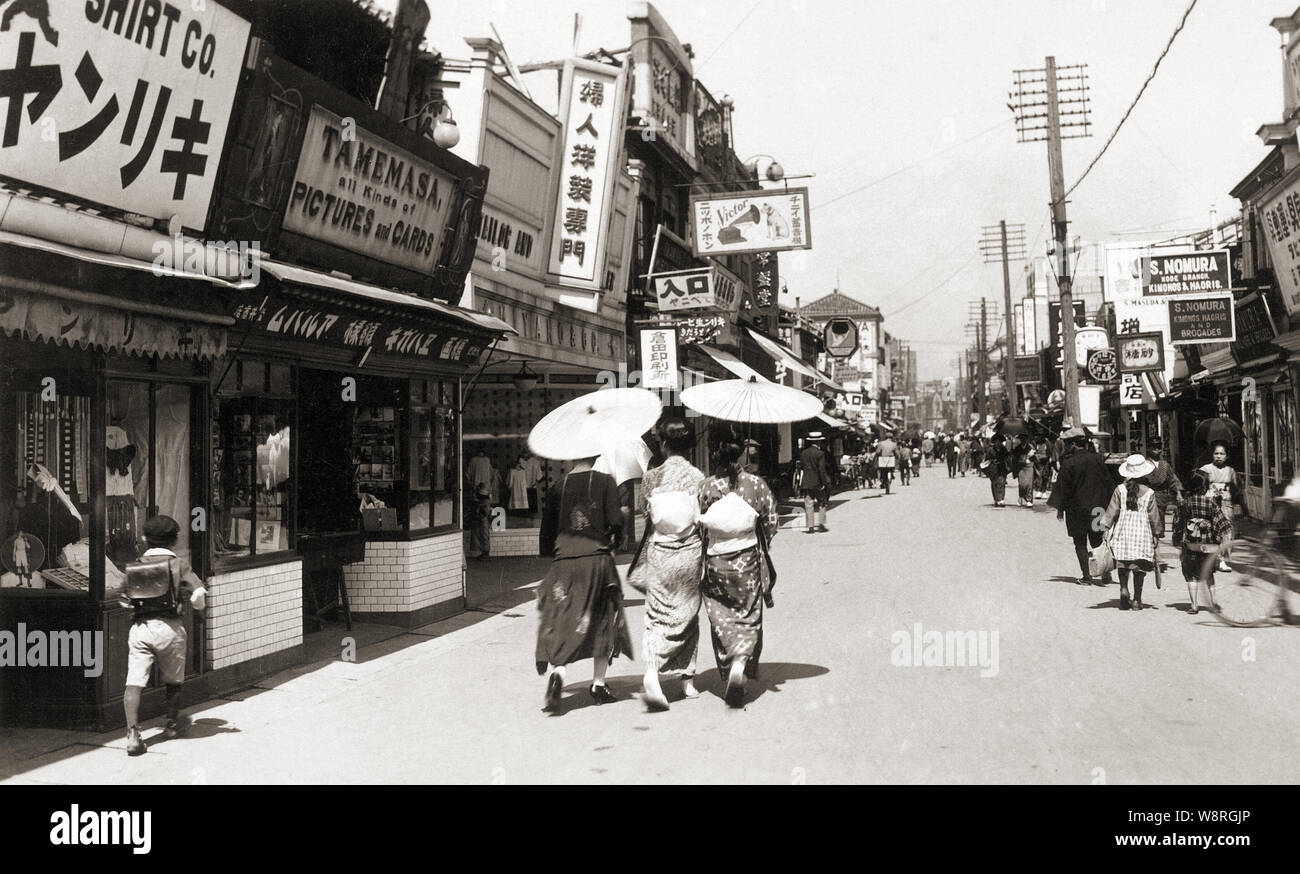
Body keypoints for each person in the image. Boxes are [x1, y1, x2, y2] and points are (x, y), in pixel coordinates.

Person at [536, 458, 635, 710]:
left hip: (565, 558)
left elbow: (547, 530)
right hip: (597, 559)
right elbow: (614, 520)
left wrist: (554, 553)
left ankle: (559, 672)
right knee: (603, 617)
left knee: (565, 615)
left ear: (572, 456)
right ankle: (598, 684)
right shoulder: (604, 481)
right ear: (596, 455)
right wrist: (621, 520)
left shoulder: (559, 485)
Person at [698, 433, 779, 708]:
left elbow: (700, 526)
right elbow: (771, 520)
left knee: (721, 614)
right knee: (747, 613)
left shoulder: (707, 486)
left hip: (716, 562)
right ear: (742, 456)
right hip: (747, 561)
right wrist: (758, 539)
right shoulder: (756, 484)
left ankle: (729, 661)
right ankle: (740, 663)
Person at [633, 418, 705, 711]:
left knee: (658, 612)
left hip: (660, 550)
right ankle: (687, 682)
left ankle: (652, 671)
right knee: (687, 613)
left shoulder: (651, 477)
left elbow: (643, 510)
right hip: (689, 550)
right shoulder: (697, 476)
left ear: (662, 444)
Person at [121, 515, 208, 756]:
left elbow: (123, 598)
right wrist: (198, 606)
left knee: (134, 681)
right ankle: (170, 726)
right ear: (174, 539)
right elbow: (198, 593)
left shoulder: (136, 564)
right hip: (170, 629)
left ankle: (132, 733)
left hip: (141, 629)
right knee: (174, 680)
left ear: (144, 539)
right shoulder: (179, 564)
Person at [1048, 428, 1116, 586]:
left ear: (1072, 444)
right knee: (1098, 539)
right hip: (1097, 509)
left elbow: (1063, 489)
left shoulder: (1069, 463)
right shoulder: (1098, 459)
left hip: (1076, 511)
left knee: (1080, 542)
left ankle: (1087, 576)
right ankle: (1105, 572)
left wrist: (1060, 509)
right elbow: (1108, 483)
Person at [1102, 454, 1162, 611]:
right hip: (1141, 534)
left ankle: (1123, 589)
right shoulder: (1149, 492)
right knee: (1139, 567)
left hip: (1123, 531)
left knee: (1123, 563)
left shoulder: (1120, 490)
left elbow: (1111, 511)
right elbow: (1153, 516)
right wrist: (1156, 534)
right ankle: (1137, 599)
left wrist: (1106, 528)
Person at [1172, 471, 1233, 615]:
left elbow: (1179, 523)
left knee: (1190, 576)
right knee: (1209, 574)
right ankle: (1214, 603)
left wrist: (1177, 539)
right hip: (1208, 547)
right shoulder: (1210, 503)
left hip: (1190, 546)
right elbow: (1223, 524)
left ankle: (1194, 605)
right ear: (1205, 487)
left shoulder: (1186, 503)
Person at [1199, 443, 1242, 573]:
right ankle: (1210, 559)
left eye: (1222, 453)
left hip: (1226, 503)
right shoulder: (1205, 469)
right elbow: (1198, 485)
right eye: (1216, 453)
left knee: (1227, 531)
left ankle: (1222, 559)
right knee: (1210, 531)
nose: (1219, 456)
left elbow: (1237, 489)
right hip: (1210, 503)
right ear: (1212, 455)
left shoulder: (1231, 471)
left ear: (1227, 456)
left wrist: (1238, 504)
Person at [1144, 437, 1182, 539]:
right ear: (1149, 448)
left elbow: (1173, 480)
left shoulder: (1165, 465)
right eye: (1154, 447)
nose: (1156, 449)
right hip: (1147, 494)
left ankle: (1159, 534)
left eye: (1158, 447)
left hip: (1161, 496)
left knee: (1160, 519)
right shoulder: (1144, 464)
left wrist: (1178, 493)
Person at [798, 432, 832, 533]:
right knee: (822, 503)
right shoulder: (820, 453)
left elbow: (802, 467)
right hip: (817, 482)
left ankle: (810, 527)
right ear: (819, 441)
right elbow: (821, 469)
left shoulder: (803, 453)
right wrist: (823, 483)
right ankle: (821, 524)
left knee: (809, 503)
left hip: (806, 481)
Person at [1009, 433, 1036, 507]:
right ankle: (1021, 497)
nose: (1023, 440)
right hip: (1021, 467)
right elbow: (1014, 457)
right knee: (1021, 484)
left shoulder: (1030, 447)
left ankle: (1029, 500)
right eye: (1022, 439)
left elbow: (1035, 457)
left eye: (1025, 439)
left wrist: (1029, 458)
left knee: (1029, 484)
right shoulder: (1018, 448)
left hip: (1029, 466)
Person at [983, 435, 1010, 506]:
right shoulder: (990, 449)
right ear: (994, 442)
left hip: (1002, 468)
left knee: (1002, 483)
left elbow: (1007, 457)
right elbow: (987, 459)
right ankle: (996, 499)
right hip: (993, 469)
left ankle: (1001, 499)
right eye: (996, 442)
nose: (998, 443)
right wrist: (993, 461)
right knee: (995, 483)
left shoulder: (1004, 449)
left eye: (999, 442)